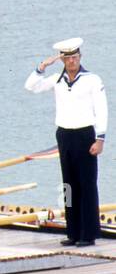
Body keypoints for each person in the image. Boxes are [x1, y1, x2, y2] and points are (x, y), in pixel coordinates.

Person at [25, 39, 107, 247]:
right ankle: (73, 232)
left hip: (85, 134)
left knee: (87, 184)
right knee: (68, 185)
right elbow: (31, 86)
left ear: (80, 57)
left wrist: (100, 138)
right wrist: (42, 67)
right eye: (67, 57)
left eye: (74, 57)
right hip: (64, 135)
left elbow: (102, 109)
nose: (71, 61)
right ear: (62, 59)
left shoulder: (92, 80)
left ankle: (88, 234)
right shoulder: (57, 79)